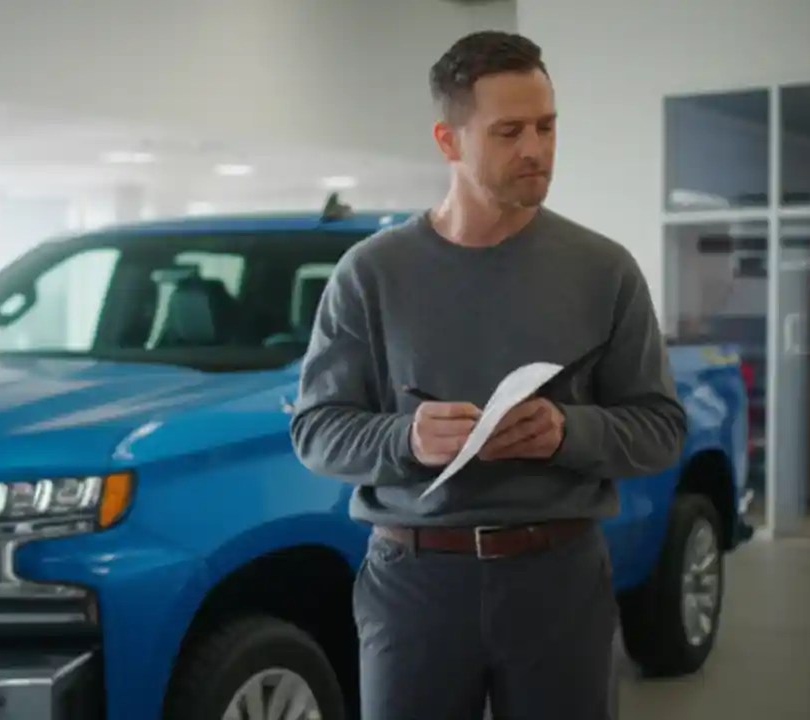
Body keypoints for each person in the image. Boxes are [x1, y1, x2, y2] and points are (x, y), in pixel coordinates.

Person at [289, 31, 686, 719]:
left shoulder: (604, 270)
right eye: (509, 132)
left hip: (559, 580)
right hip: (415, 583)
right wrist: (407, 441)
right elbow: (317, 431)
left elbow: (659, 429)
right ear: (449, 140)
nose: (535, 148)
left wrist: (567, 431)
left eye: (546, 126)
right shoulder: (372, 274)